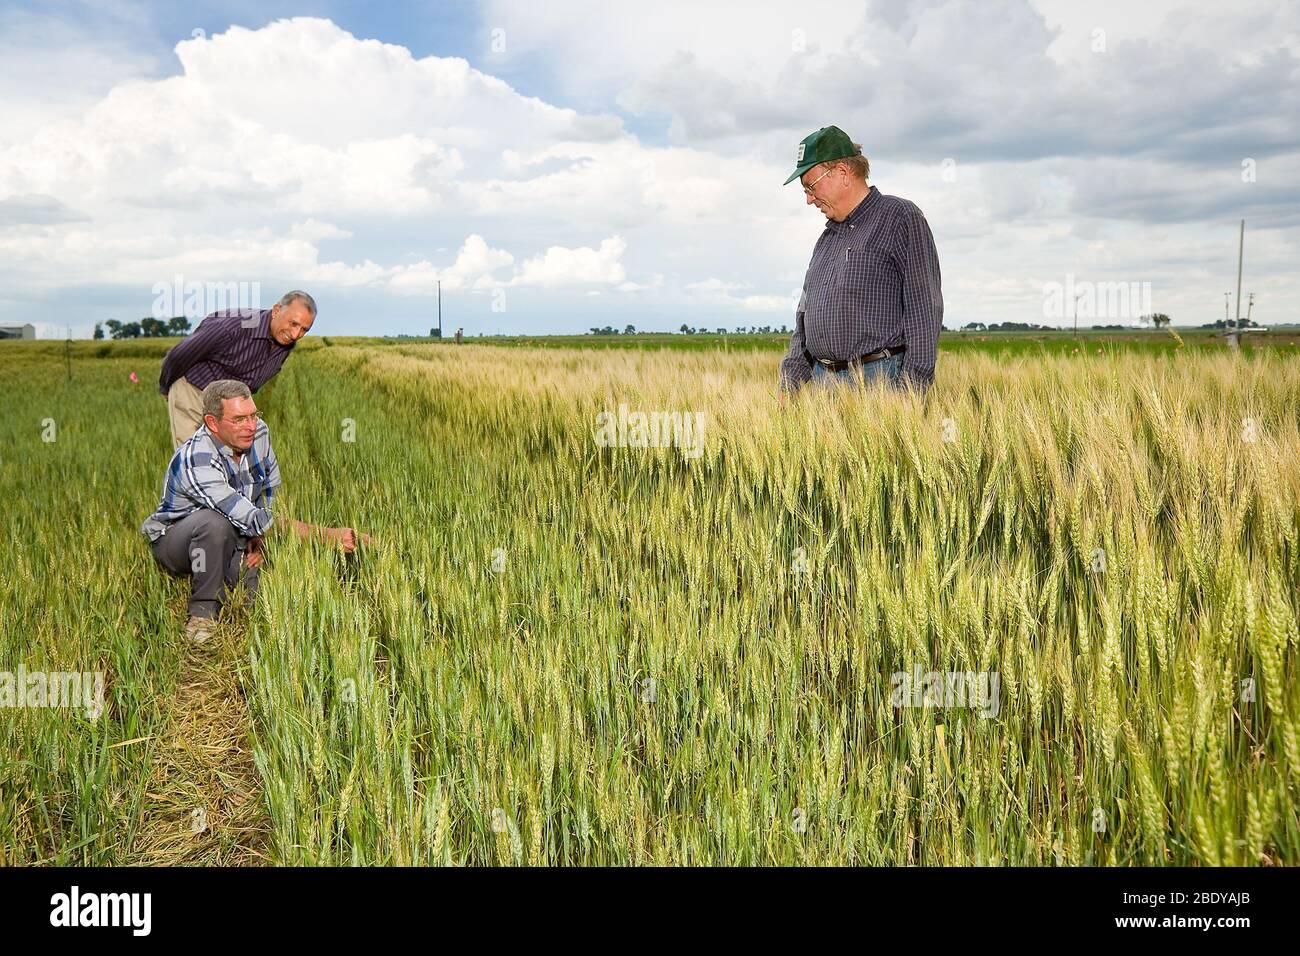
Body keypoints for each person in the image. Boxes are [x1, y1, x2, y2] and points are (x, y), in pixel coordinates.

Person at [141, 379, 368, 642]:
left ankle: (229, 575)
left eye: (253, 415)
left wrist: (260, 540)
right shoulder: (197, 458)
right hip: (179, 541)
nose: (251, 426)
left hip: (235, 533)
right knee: (213, 523)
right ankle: (203, 613)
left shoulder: (259, 432)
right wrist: (325, 536)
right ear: (213, 423)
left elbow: (269, 489)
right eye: (239, 420)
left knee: (256, 593)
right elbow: (243, 515)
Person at [778, 126, 943, 402]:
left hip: (878, 384)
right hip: (823, 389)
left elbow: (924, 310)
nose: (808, 199)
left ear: (842, 172)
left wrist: (911, 396)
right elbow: (804, 319)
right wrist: (791, 381)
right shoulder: (826, 239)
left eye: (810, 186)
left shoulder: (900, 218)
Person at [158, 290, 317, 449]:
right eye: (293, 323)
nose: (296, 334)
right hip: (194, 394)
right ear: (276, 310)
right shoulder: (232, 326)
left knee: (229, 463)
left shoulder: (285, 342)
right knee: (194, 458)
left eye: (304, 329)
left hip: (230, 406)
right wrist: (166, 388)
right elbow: (179, 355)